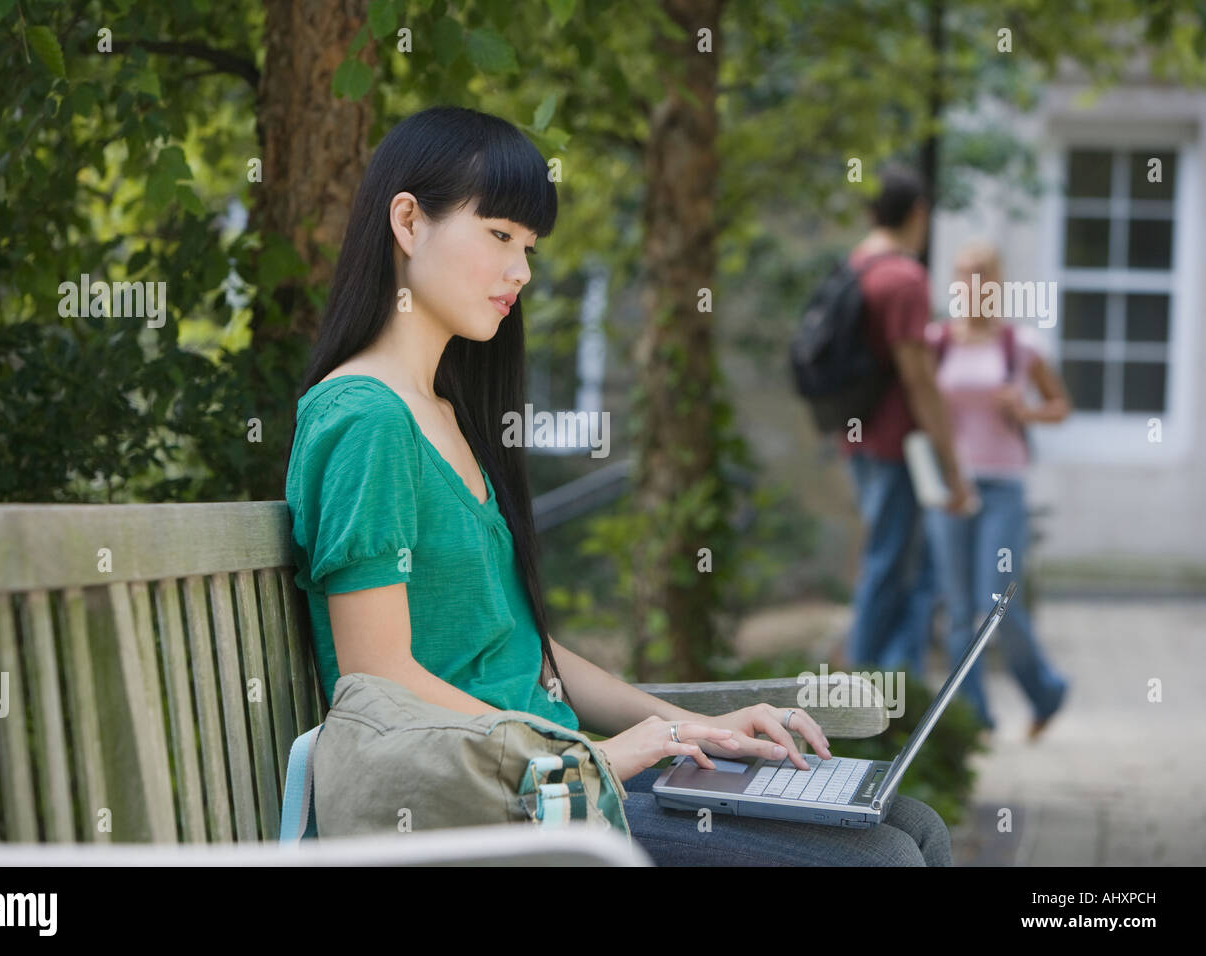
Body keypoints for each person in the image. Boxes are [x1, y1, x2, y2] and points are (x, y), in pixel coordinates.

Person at [284, 106, 951, 865]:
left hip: (554, 779)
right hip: (484, 807)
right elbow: (380, 676)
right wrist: (600, 753)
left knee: (911, 825)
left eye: (528, 246)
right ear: (408, 222)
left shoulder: (442, 413)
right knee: (881, 858)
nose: (521, 272)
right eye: (500, 235)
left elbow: (533, 655)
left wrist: (695, 728)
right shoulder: (365, 418)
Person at [922, 240, 1071, 740]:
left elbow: (1059, 406)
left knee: (998, 602)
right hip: (951, 487)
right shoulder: (935, 341)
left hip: (1003, 485)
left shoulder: (1020, 345)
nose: (973, 283)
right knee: (959, 610)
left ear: (999, 281)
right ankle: (974, 722)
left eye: (983, 273)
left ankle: (1045, 691)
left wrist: (1025, 409)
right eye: (964, 273)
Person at [839, 166, 973, 675]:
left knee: (894, 562)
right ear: (918, 213)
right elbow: (920, 380)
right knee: (894, 565)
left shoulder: (857, 266)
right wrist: (953, 467)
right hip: (901, 449)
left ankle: (892, 685)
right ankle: (865, 692)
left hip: (859, 439)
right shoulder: (904, 277)